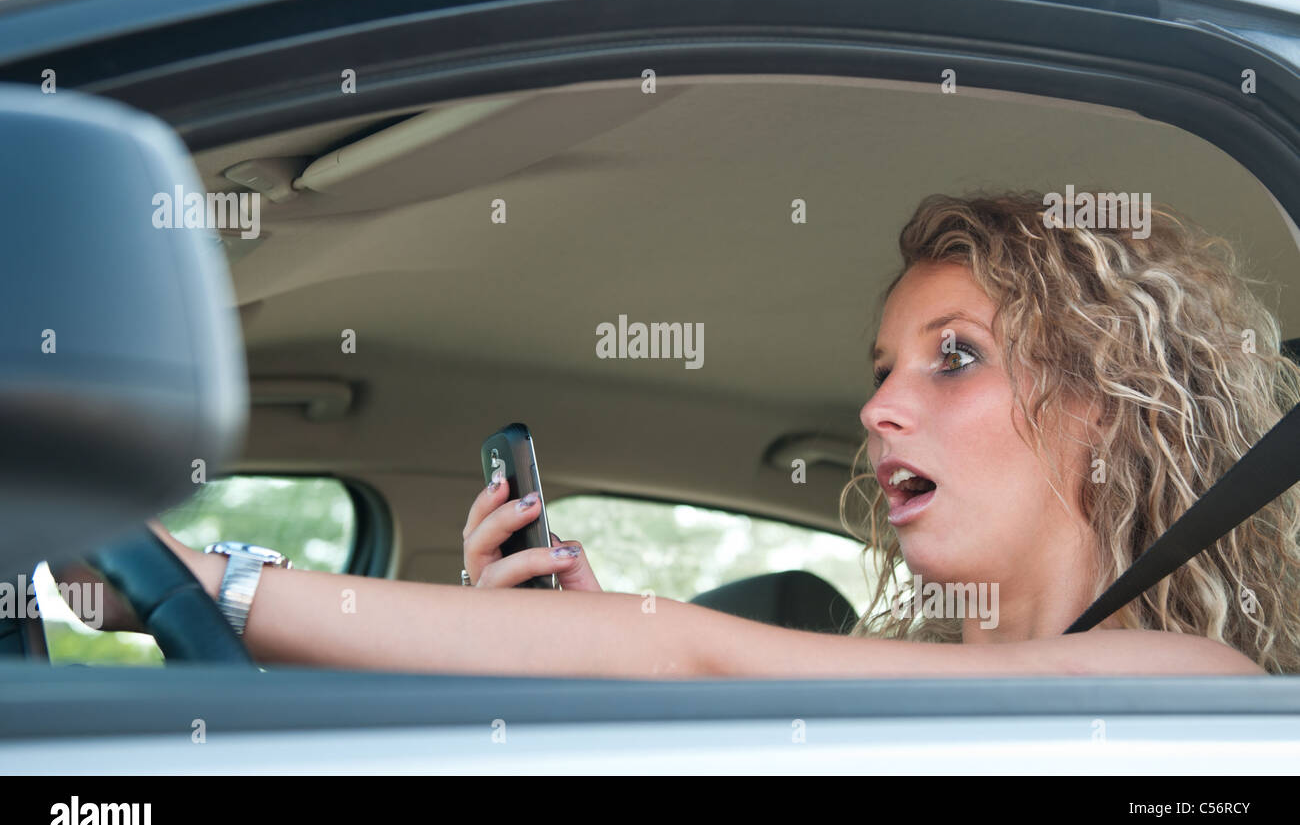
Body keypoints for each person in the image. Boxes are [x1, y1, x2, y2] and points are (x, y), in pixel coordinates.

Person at [94, 191, 1300, 676]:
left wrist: (196, 577)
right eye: (880, 369)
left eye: (955, 355)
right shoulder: (905, 693)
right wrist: (561, 660)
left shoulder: (1188, 688)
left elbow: (693, 652)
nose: (880, 408)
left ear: (1108, 406)